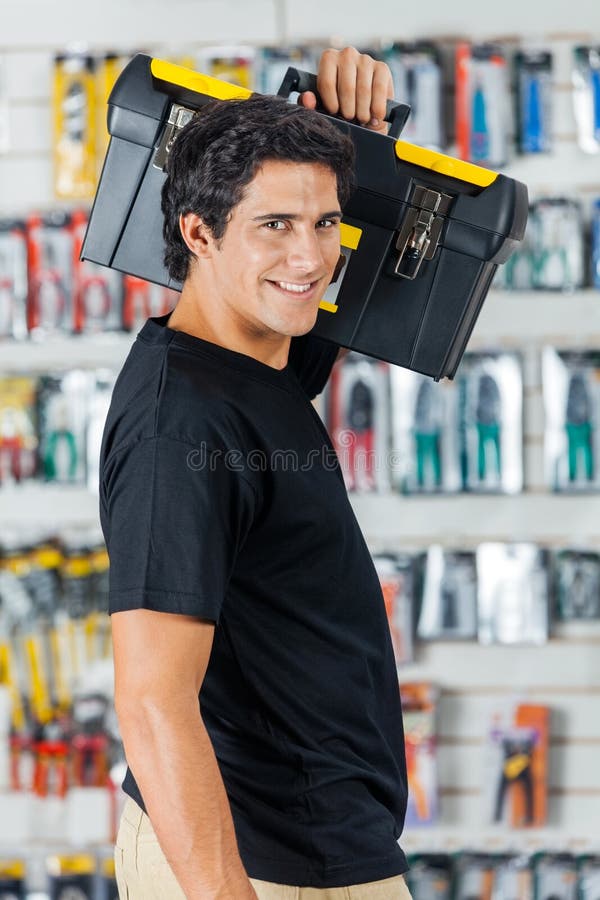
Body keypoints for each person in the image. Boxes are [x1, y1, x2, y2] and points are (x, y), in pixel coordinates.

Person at [101, 46, 412, 900]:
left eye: (324, 223)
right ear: (198, 233)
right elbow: (152, 701)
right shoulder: (181, 427)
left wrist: (352, 138)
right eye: (274, 225)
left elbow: (314, 315)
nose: (310, 258)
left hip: (318, 845)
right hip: (255, 869)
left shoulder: (253, 362)